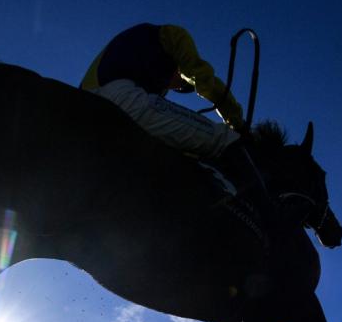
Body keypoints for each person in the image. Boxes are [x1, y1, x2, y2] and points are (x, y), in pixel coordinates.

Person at [81, 23, 264, 207]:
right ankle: (268, 211)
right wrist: (237, 124)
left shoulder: (143, 70)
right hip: (114, 96)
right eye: (182, 84)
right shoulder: (171, 35)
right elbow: (205, 82)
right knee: (224, 138)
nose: (179, 86)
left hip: (87, 107)